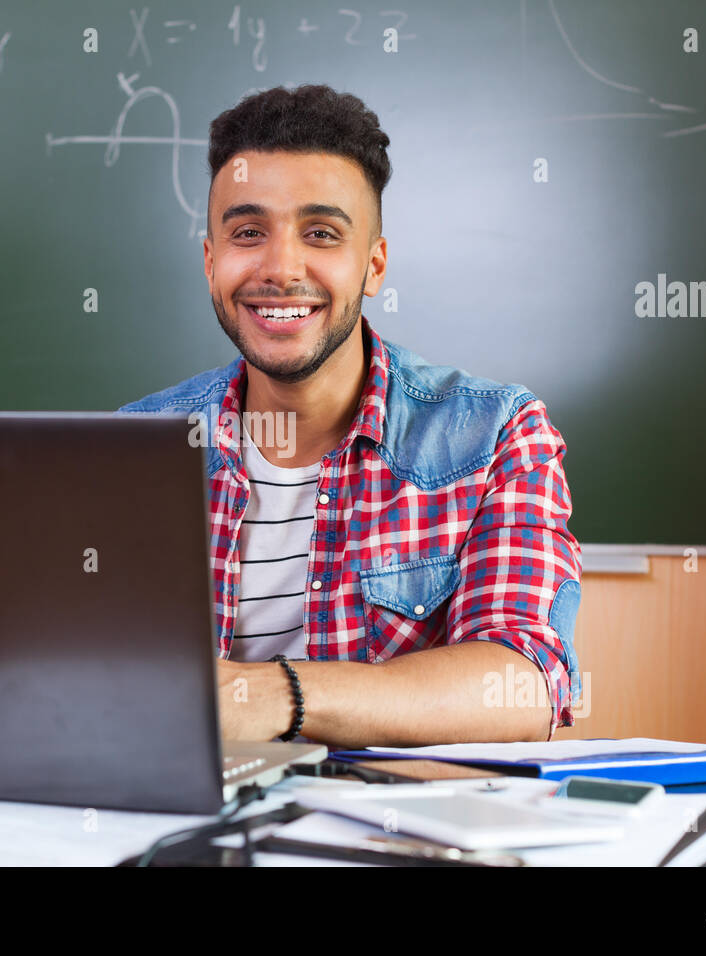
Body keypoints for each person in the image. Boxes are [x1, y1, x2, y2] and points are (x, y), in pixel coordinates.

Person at [120, 85, 582, 748]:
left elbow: (524, 682)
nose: (280, 268)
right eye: (248, 233)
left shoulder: (498, 437)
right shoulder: (135, 448)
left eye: (321, 234)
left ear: (373, 265)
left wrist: (277, 695)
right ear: (211, 260)